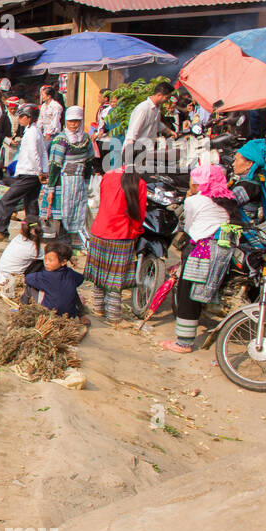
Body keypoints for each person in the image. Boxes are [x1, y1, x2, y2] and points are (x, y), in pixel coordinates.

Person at [160, 163, 239, 354]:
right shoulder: (228, 200)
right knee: (210, 285)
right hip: (223, 250)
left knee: (187, 294)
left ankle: (184, 343)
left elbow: (188, 227)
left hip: (200, 251)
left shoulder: (194, 201)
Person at [82, 165, 146, 324]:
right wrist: (136, 233)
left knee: (99, 274)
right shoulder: (140, 183)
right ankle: (114, 316)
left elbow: (103, 201)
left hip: (99, 231)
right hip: (122, 235)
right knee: (115, 279)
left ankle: (98, 308)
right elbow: (140, 215)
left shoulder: (108, 176)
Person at [0, 104, 46, 241]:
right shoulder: (34, 131)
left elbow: (34, 154)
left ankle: (1, 231)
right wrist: (43, 171)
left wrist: (40, 171)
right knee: (31, 203)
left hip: (30, 172)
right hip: (33, 173)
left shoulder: (32, 133)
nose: (19, 119)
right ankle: (34, 232)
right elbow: (43, 152)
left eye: (21, 116)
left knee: (7, 200)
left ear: (28, 118)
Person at [48, 106, 94, 248]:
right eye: (71, 121)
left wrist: (86, 182)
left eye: (77, 121)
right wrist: (51, 188)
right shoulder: (61, 140)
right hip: (63, 180)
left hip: (79, 180)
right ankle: (62, 241)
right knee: (62, 211)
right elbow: (55, 165)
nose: (73, 125)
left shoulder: (85, 139)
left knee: (78, 208)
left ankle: (74, 239)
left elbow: (89, 161)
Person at [22, 240, 83, 318]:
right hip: (69, 316)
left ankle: (23, 307)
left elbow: (27, 278)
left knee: (30, 285)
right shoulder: (71, 274)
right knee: (71, 287)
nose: (46, 263)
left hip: (48, 314)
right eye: (45, 259)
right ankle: (81, 314)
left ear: (63, 262)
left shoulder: (45, 276)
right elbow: (80, 279)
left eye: (50, 260)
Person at [123, 81, 175, 171]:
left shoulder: (157, 108)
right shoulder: (143, 108)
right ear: (159, 95)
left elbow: (157, 124)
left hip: (147, 149)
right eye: (167, 97)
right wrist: (130, 151)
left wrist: (169, 131)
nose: (167, 100)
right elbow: (133, 130)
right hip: (136, 150)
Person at [0, 221, 44, 286]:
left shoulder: (18, 238)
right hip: (8, 281)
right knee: (43, 263)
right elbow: (47, 257)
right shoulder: (32, 248)